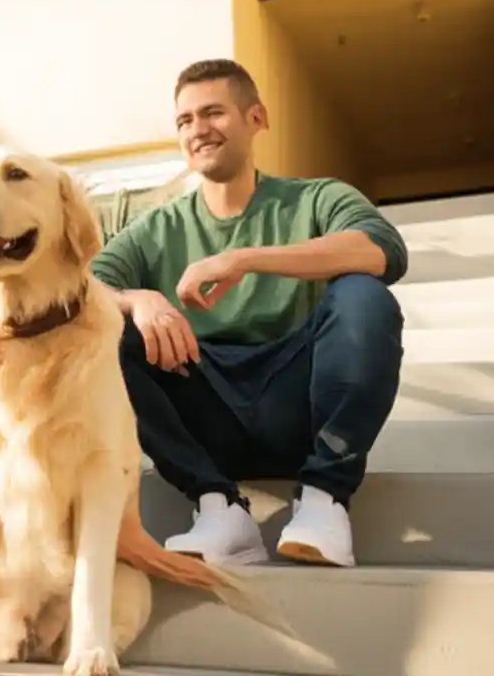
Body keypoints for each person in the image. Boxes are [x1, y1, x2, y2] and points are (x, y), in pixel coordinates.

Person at [92, 59, 408, 568]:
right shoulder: (156, 228)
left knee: (364, 297)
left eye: (213, 113)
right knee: (105, 329)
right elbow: (82, 291)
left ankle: (326, 500)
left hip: (298, 405)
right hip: (206, 412)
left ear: (256, 118)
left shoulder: (316, 198)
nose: (198, 130)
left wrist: (244, 259)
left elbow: (380, 251)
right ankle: (219, 509)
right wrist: (138, 300)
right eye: (185, 121)